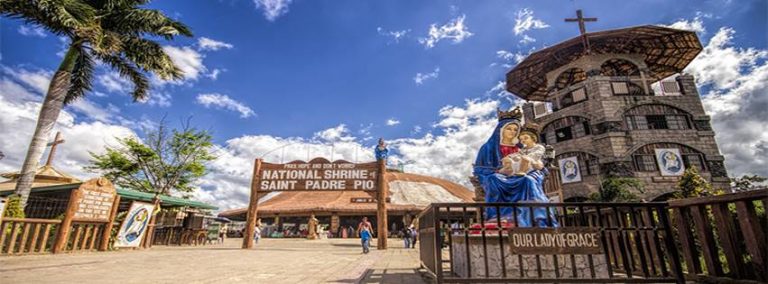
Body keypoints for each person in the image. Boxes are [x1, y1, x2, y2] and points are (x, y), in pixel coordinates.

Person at [473, 108, 557, 227]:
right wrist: (500, 170)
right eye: (509, 128)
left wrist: (539, 167)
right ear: (501, 130)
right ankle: (498, 216)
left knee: (527, 180)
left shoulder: (524, 147)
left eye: (515, 129)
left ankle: (533, 218)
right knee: (493, 179)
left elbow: (540, 164)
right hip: (502, 176)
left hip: (525, 175)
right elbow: (479, 170)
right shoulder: (488, 148)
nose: (512, 132)